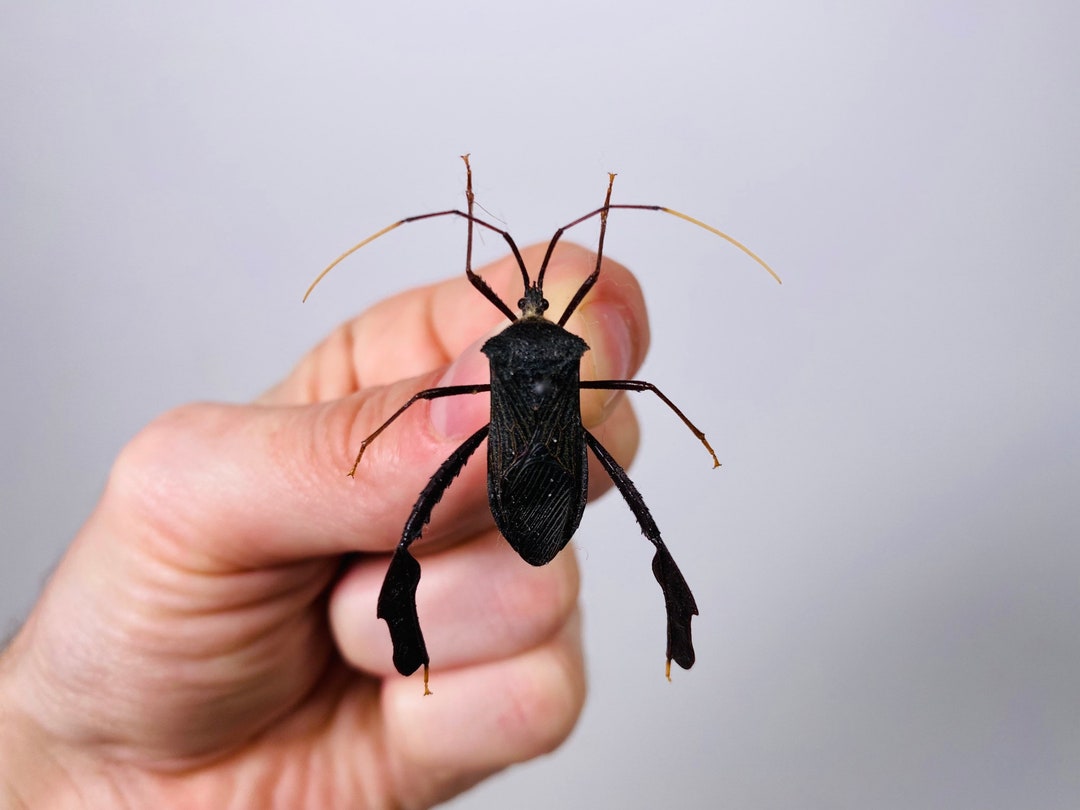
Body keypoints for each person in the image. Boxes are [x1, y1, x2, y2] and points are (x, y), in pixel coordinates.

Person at [0, 244, 649, 808]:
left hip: (506, 480)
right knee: (585, 483)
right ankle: (666, 603)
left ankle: (408, 630)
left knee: (424, 506)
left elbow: (440, 364)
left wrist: (45, 767)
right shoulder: (563, 344)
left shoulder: (514, 347)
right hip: (545, 483)